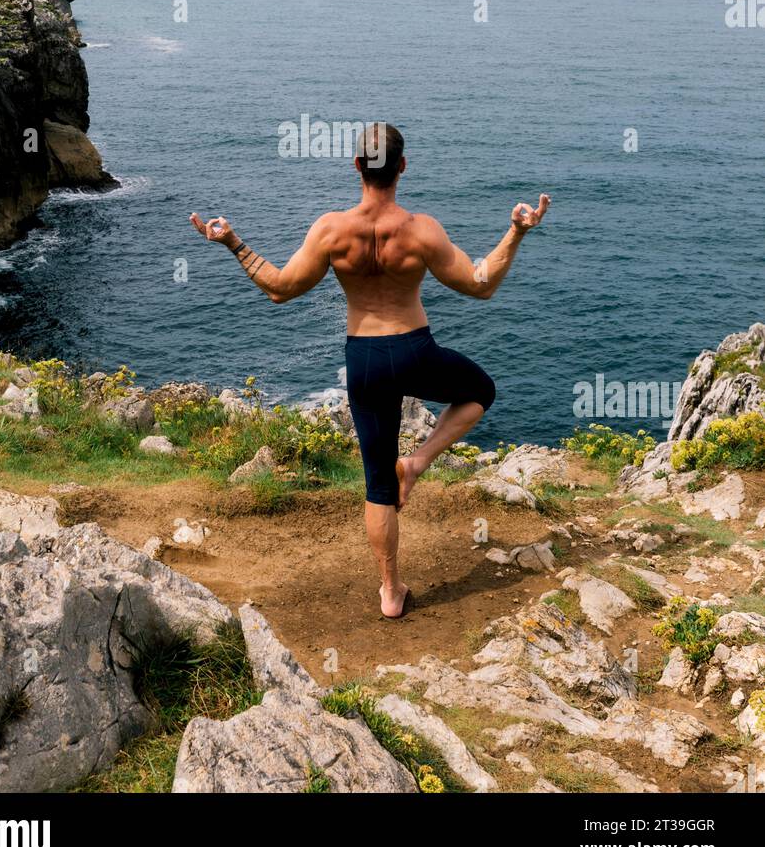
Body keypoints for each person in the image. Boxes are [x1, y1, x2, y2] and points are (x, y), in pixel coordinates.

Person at [190, 122, 550, 619]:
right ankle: (418, 462)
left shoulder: (332, 230)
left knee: (378, 484)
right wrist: (517, 230)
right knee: (478, 390)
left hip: (364, 361)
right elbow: (480, 283)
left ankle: (389, 591)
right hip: (415, 350)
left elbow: (279, 287)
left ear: (357, 166)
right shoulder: (421, 229)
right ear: (402, 167)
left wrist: (232, 241)